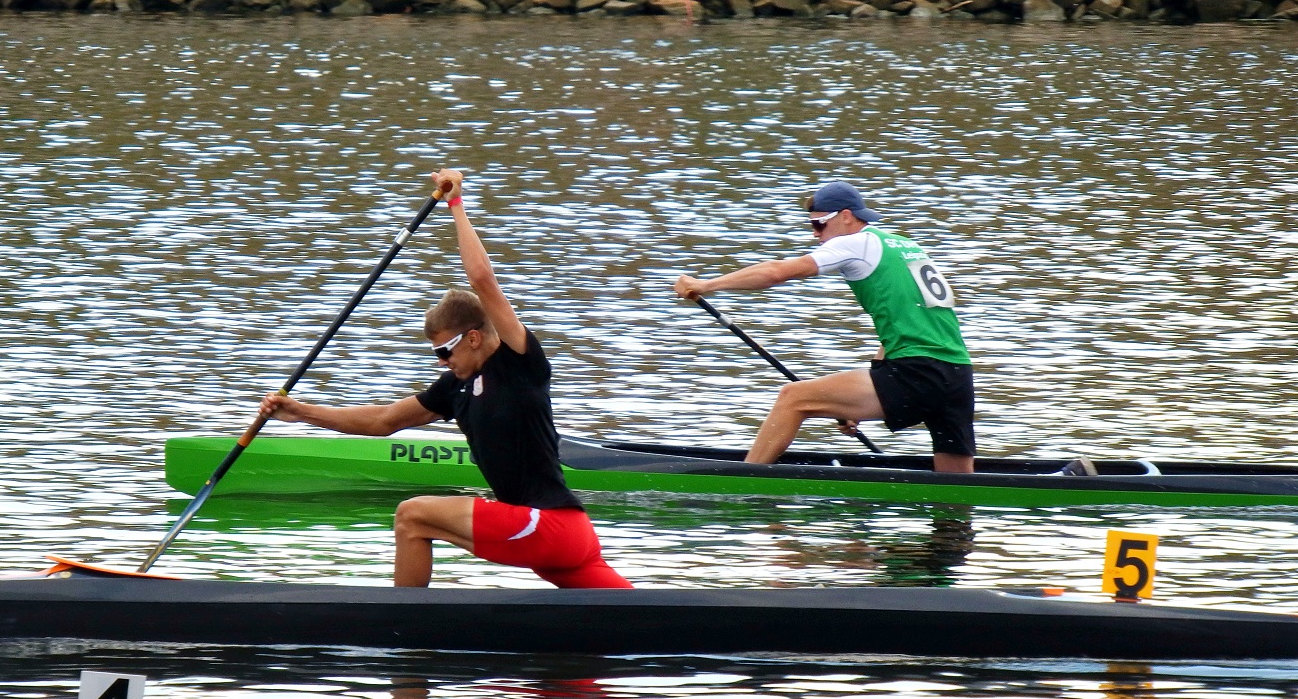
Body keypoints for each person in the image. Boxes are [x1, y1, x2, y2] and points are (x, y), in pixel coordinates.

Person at [259, 169, 632, 589]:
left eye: (444, 351)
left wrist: (456, 204)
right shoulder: (454, 387)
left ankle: (402, 630)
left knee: (411, 516)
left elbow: (482, 281)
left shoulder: (519, 362)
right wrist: (301, 412)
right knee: (644, 624)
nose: (441, 362)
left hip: (546, 526)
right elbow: (383, 421)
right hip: (562, 535)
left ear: (473, 338)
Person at [673, 181, 975, 473]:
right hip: (958, 374)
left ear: (846, 217)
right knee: (956, 487)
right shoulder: (905, 246)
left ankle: (743, 486)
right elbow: (910, 322)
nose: (817, 235)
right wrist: (860, 397)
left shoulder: (856, 243)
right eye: (812, 226)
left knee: (794, 399)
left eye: (820, 225)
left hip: (920, 371)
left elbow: (778, 272)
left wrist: (706, 284)